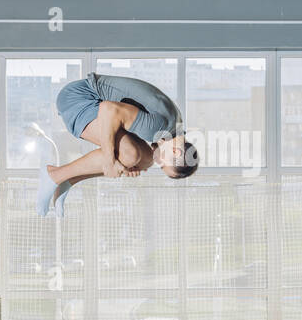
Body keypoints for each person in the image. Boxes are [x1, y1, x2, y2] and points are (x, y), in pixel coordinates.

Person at [37, 72, 198, 216]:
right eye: (163, 165)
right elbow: (108, 109)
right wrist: (110, 160)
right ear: (176, 152)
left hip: (89, 99)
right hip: (77, 98)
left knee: (144, 159)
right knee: (129, 155)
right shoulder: (157, 127)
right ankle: (54, 175)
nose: (158, 163)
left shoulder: (174, 126)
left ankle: (68, 180)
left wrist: (124, 164)